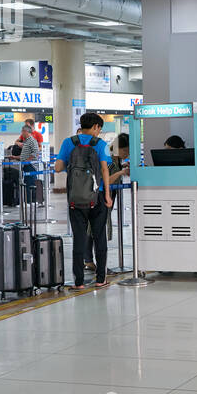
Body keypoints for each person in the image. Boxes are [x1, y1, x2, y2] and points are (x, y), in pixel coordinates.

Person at [55, 112, 114, 289]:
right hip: (98, 197)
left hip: (76, 198)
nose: (99, 132)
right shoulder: (101, 144)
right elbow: (105, 170)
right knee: (99, 238)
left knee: (79, 239)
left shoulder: (68, 142)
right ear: (96, 127)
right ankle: (100, 279)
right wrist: (108, 195)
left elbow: (58, 167)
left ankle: (79, 282)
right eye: (99, 129)